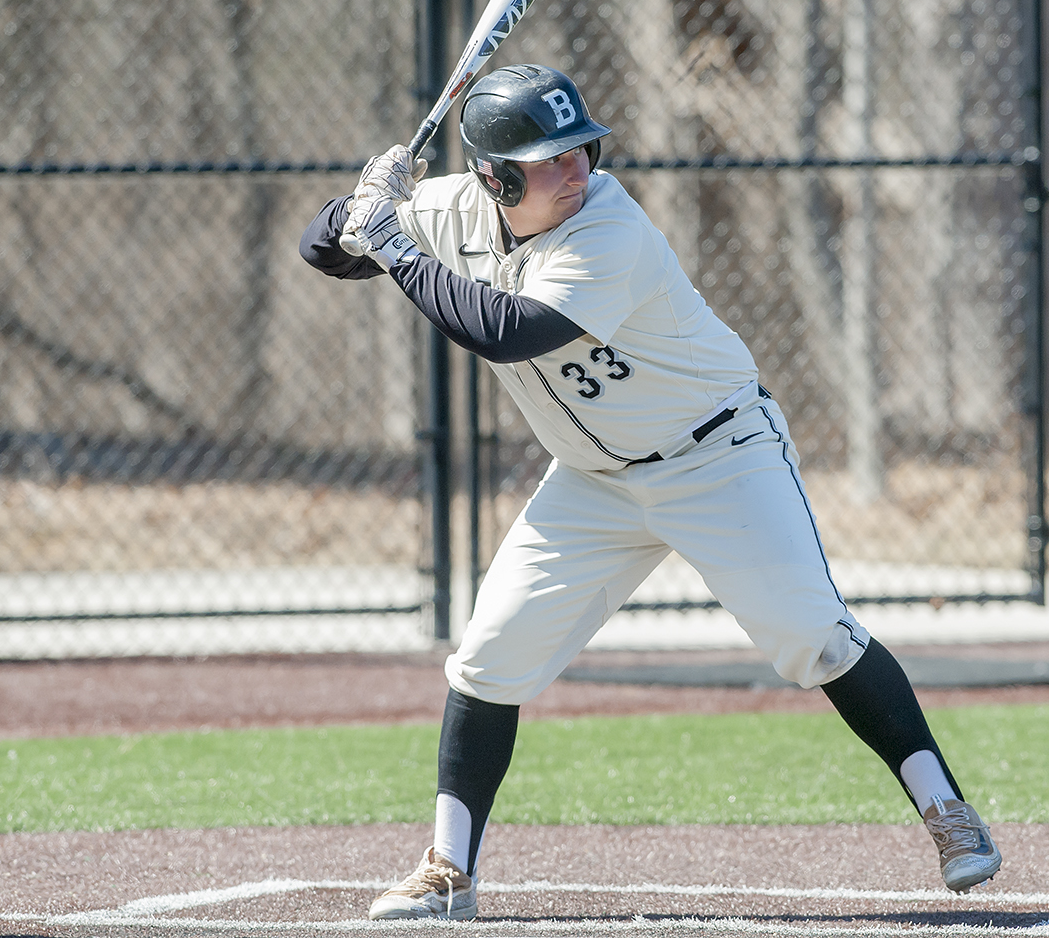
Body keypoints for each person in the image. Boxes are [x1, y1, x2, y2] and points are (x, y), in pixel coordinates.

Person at [300, 64, 1002, 921]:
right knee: (489, 656)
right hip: (594, 480)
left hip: (717, 455)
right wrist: (360, 210)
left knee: (812, 635)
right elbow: (322, 250)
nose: (576, 170)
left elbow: (506, 331)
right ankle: (449, 867)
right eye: (549, 159)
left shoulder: (610, 229)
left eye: (580, 149)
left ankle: (947, 809)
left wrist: (394, 242)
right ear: (495, 176)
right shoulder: (451, 208)